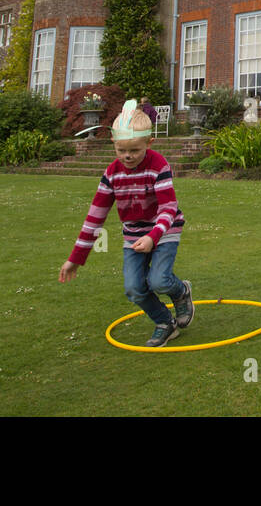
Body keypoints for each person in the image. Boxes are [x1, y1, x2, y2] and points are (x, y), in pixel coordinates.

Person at [58, 100, 193, 347]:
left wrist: (153, 236)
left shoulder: (158, 165)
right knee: (133, 288)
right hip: (133, 235)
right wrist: (75, 258)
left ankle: (180, 292)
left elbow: (168, 207)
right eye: (121, 150)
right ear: (114, 144)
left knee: (159, 281)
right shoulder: (111, 174)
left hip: (165, 229)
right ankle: (165, 322)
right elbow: (94, 218)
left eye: (134, 150)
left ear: (148, 144)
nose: (127, 156)